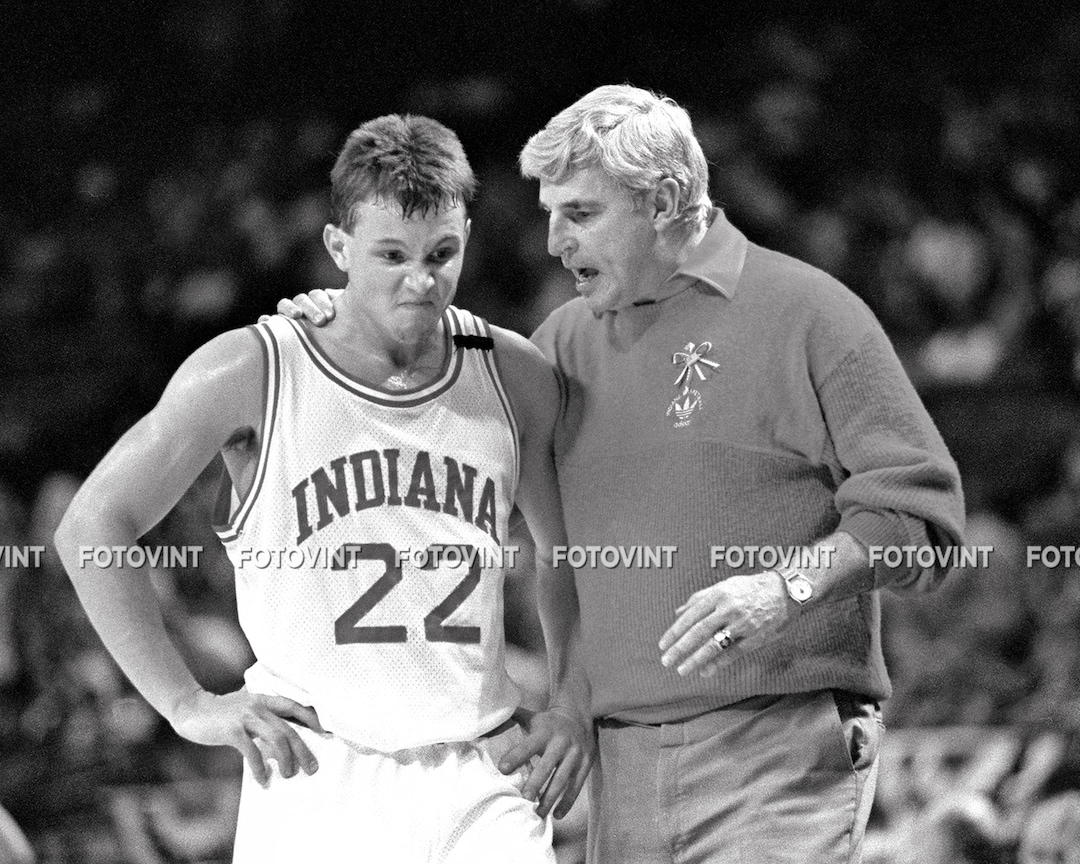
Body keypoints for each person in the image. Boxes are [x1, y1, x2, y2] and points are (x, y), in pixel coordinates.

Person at [278, 85, 966, 863]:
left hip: (778, 748)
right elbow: (426, 431)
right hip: (621, 767)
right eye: (550, 213)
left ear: (665, 200)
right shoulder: (561, 344)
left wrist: (785, 588)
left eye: (580, 213)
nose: (552, 241)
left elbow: (923, 520)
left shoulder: (809, 314)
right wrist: (338, 328)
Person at [54, 114, 592, 863]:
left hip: (482, 769)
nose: (421, 279)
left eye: (443, 253)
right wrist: (185, 705)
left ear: (468, 233)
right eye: (391, 255)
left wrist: (571, 699)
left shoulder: (515, 374)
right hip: (317, 769)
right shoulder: (251, 369)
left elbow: (567, 554)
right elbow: (92, 529)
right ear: (338, 247)